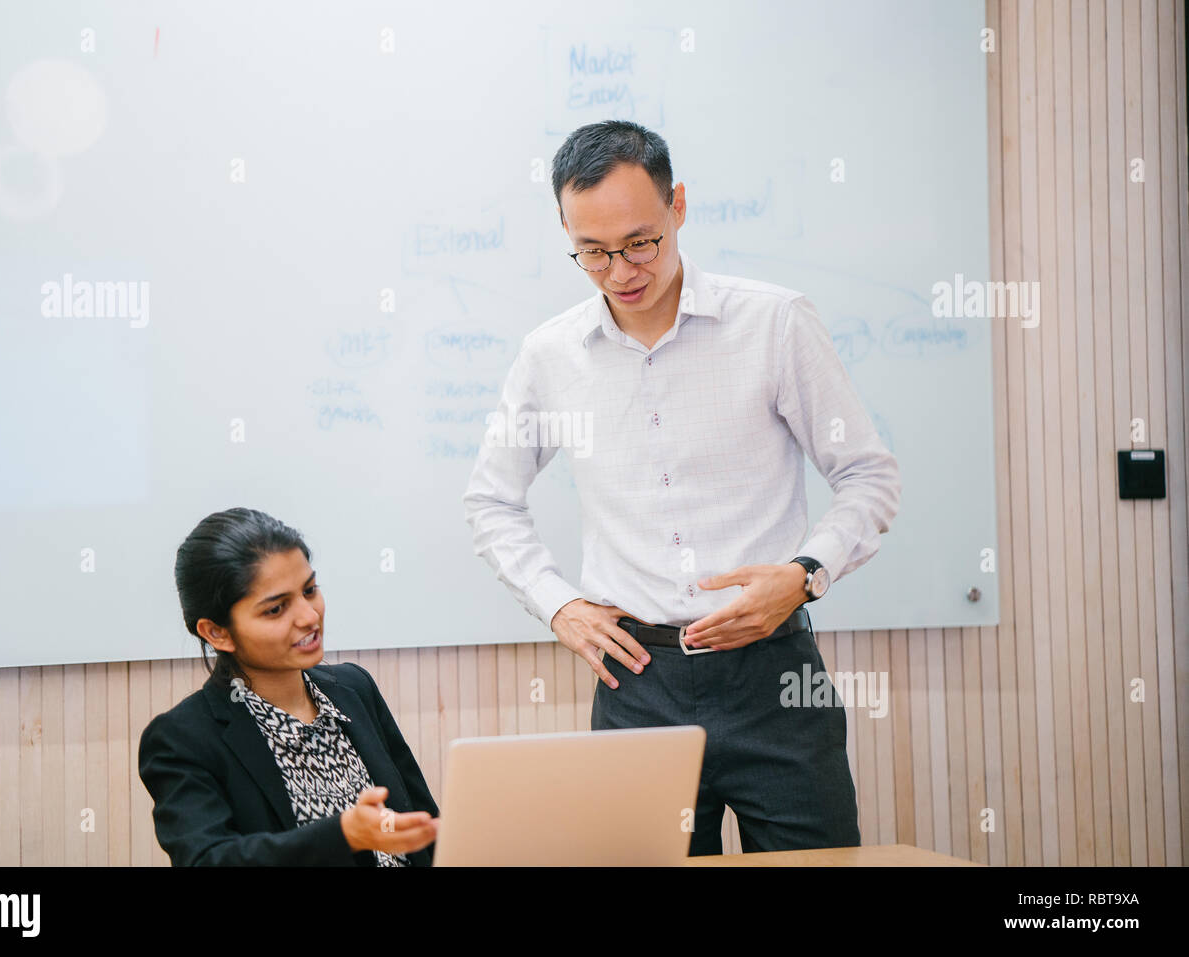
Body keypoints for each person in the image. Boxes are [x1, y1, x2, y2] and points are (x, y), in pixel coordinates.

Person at [463, 120, 901, 855]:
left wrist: (804, 575)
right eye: (593, 252)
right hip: (638, 681)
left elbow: (867, 475)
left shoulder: (773, 322)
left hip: (776, 672)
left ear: (679, 207)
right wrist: (559, 604)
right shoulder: (551, 356)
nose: (621, 270)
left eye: (641, 242)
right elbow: (490, 499)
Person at [138, 507, 439, 865]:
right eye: (276, 609)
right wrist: (345, 835)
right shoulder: (181, 739)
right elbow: (209, 859)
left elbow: (424, 827)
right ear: (217, 632)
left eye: (309, 590)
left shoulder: (354, 688)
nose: (310, 616)